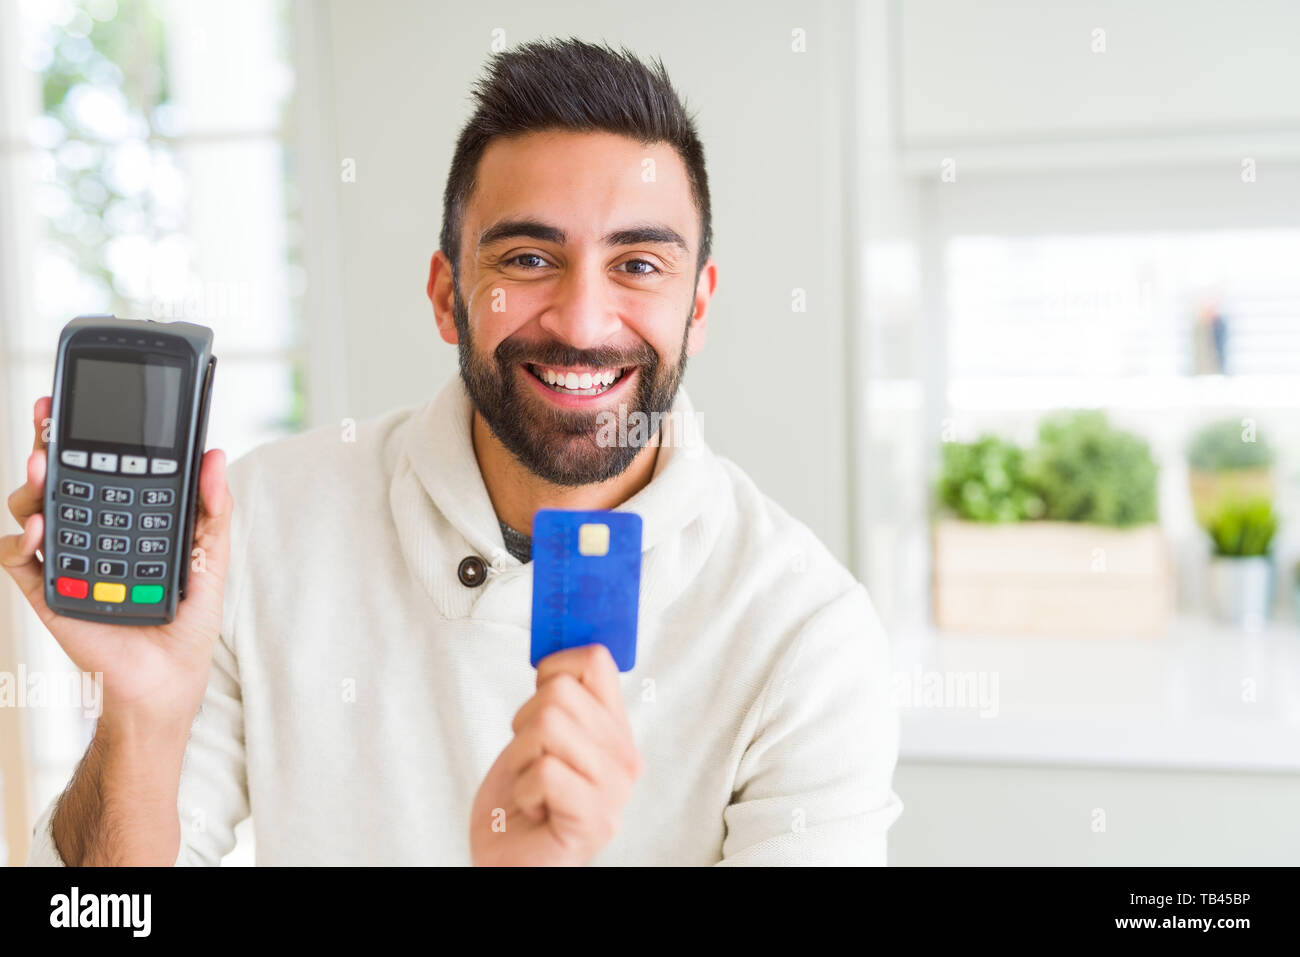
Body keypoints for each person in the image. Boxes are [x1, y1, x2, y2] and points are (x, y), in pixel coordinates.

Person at [4, 37, 902, 866]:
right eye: (526, 258)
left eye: (637, 265)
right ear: (447, 296)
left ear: (697, 307)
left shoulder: (807, 636)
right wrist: (139, 718)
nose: (585, 321)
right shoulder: (259, 527)